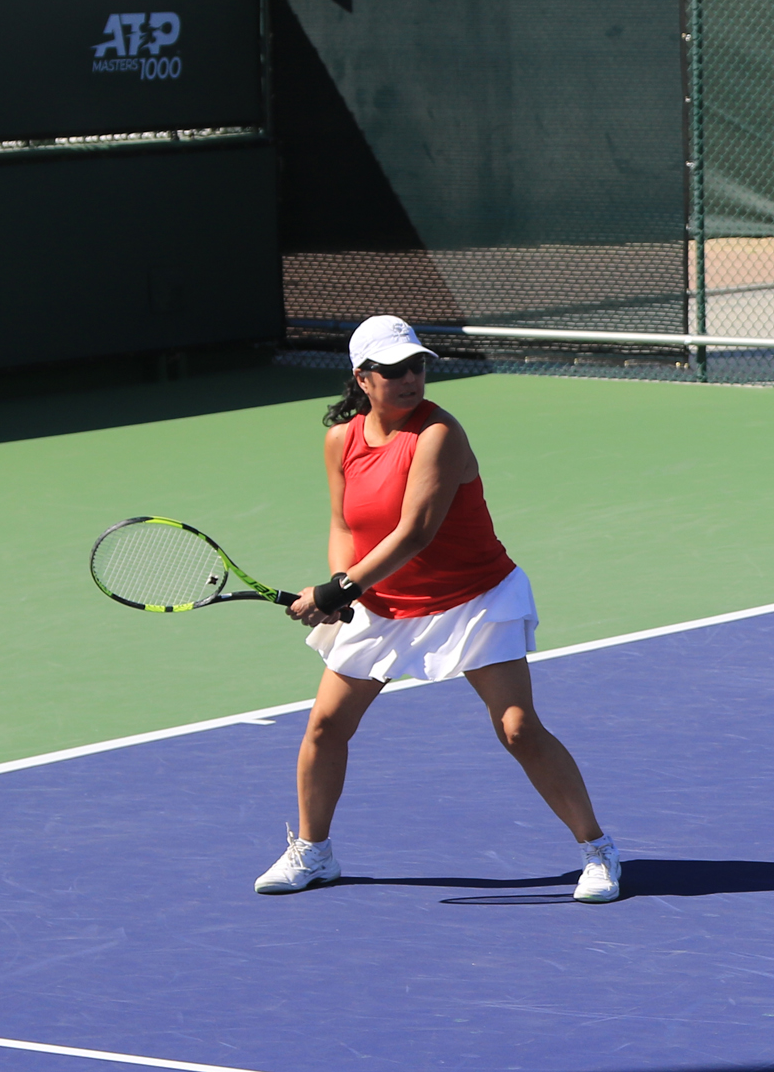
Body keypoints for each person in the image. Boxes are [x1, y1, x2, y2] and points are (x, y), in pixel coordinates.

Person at [254, 315, 620, 903]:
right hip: (385, 601)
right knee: (325, 726)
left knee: (518, 729)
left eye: (416, 366)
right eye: (392, 370)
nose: (409, 378)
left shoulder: (438, 434)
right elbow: (345, 523)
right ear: (362, 378)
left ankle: (598, 851)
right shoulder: (340, 440)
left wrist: (337, 591)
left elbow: (416, 532)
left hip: (472, 599)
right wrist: (344, 587)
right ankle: (314, 852)